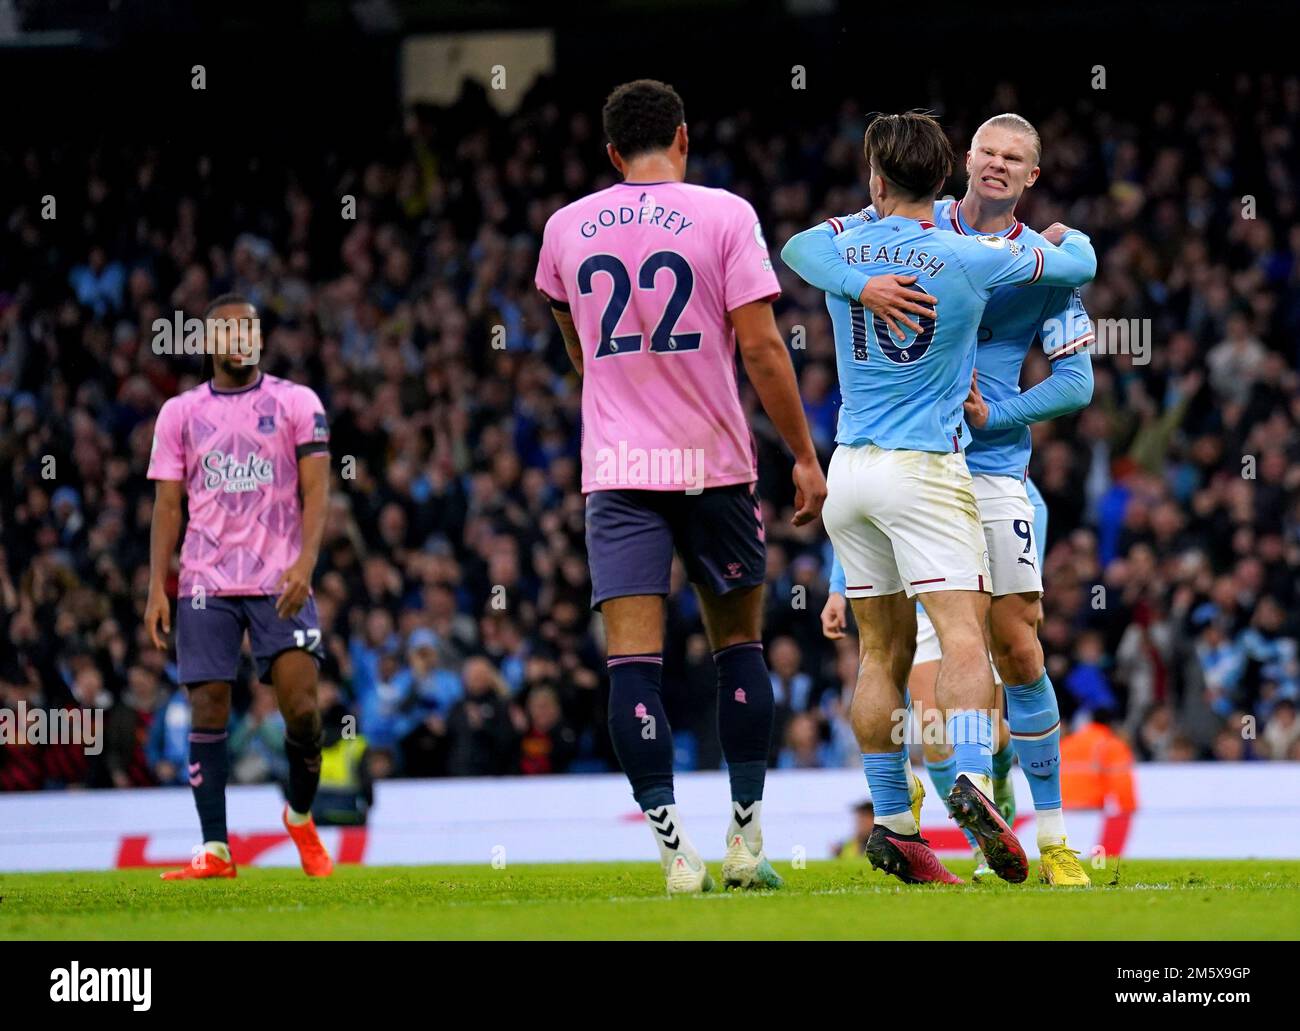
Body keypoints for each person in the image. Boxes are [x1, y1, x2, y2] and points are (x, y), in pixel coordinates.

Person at [781, 111, 1096, 885]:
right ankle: (969, 782)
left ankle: (904, 820)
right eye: (986, 149)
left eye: (1014, 155)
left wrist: (1001, 412)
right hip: (931, 469)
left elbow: (796, 247)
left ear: (1031, 175)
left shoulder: (852, 240)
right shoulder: (983, 257)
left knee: (989, 645)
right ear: (957, 164)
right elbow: (1077, 263)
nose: (997, 162)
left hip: (869, 469)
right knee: (961, 641)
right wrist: (1071, 244)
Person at [534, 78, 827, 893]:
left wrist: (622, 398)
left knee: (633, 664)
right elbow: (765, 350)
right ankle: (744, 840)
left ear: (611, 153)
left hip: (620, 471)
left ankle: (674, 856)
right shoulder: (726, 214)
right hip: (713, 464)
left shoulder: (564, 228)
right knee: (740, 648)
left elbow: (578, 344)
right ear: (684, 138)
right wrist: (804, 455)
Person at [144, 294, 335, 879]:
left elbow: (318, 493)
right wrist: (157, 585)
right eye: (227, 332)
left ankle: (300, 817)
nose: (239, 340)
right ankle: (215, 849)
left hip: (280, 577)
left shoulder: (296, 401)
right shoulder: (179, 413)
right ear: (207, 343)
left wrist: (305, 564)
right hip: (206, 579)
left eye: (248, 330)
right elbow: (168, 505)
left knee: (301, 710)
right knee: (207, 703)